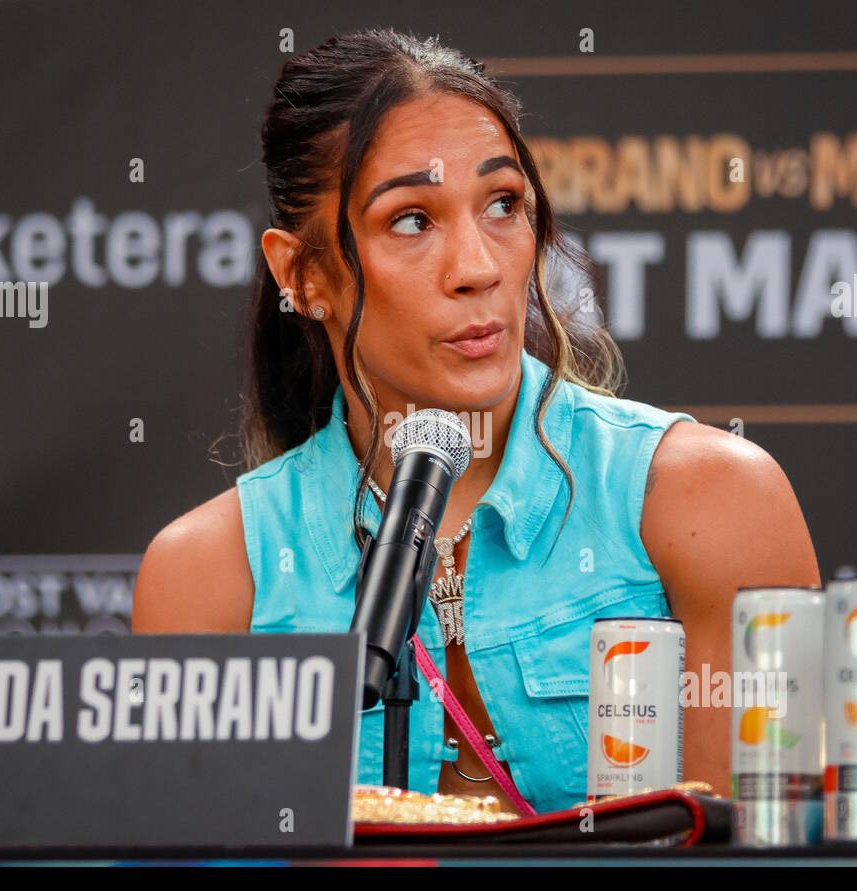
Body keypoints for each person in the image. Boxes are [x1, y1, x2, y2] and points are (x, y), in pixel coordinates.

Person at [132, 28, 820, 813]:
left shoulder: (711, 500)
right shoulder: (207, 578)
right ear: (305, 274)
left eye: (503, 205)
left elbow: (774, 851)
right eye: (412, 221)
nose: (479, 268)